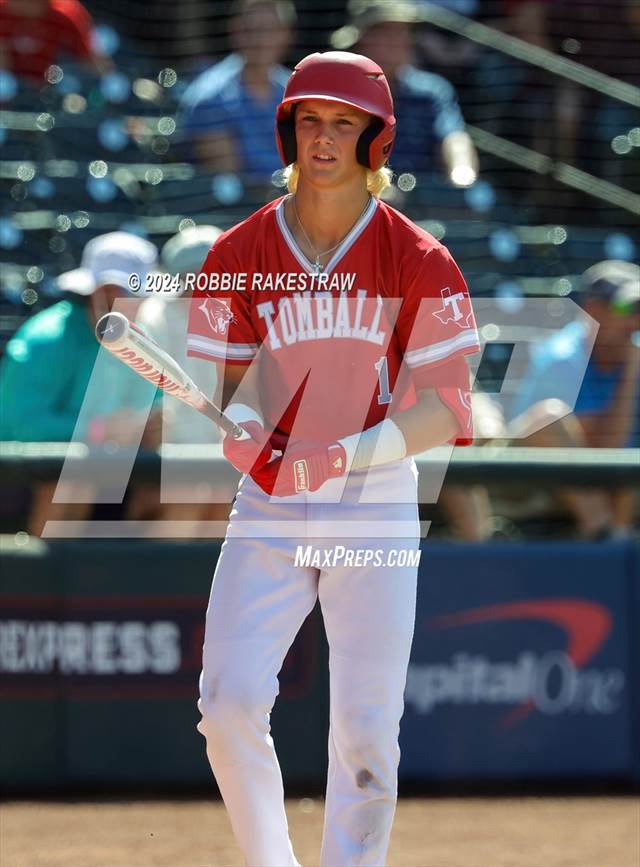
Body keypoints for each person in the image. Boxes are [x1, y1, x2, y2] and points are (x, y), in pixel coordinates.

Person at [186, 51, 480, 866]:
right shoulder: (239, 251)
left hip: (375, 493)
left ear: (374, 140)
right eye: (309, 119)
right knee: (229, 702)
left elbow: (446, 409)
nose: (323, 137)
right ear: (287, 129)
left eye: (343, 123)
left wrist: (337, 458)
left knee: (365, 729)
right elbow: (237, 389)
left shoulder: (417, 256)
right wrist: (243, 429)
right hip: (272, 500)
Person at [0, 231, 162, 535]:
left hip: (111, 470)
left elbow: (151, 412)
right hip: (18, 477)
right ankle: (38, 580)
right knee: (75, 479)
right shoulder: (46, 340)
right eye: (111, 290)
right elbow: (21, 427)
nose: (120, 300)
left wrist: (154, 428)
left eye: (129, 291)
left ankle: (145, 581)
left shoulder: (146, 342)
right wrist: (100, 430)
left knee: (192, 486)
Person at [509, 259, 640, 537]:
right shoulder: (563, 359)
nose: (635, 322)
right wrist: (631, 374)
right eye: (626, 308)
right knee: (549, 417)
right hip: (532, 479)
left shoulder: (629, 351)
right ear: (592, 311)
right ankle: (610, 541)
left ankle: (616, 539)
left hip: (606, 484)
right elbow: (604, 454)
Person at [331, 0, 478, 186]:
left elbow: (454, 137)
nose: (400, 41)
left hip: (423, 201)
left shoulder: (433, 91)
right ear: (362, 39)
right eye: (386, 32)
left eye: (405, 32)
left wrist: (462, 174)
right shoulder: (336, 95)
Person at [177, 0, 295, 184]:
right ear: (235, 31)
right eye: (250, 30)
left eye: (269, 31)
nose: (259, 40)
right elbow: (234, 184)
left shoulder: (297, 94)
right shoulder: (209, 98)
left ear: (286, 35)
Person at [0, 0, 110, 83]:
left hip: (47, 92)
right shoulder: (2, 10)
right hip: (8, 92)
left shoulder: (67, 12)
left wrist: (109, 79)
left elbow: (94, 61)